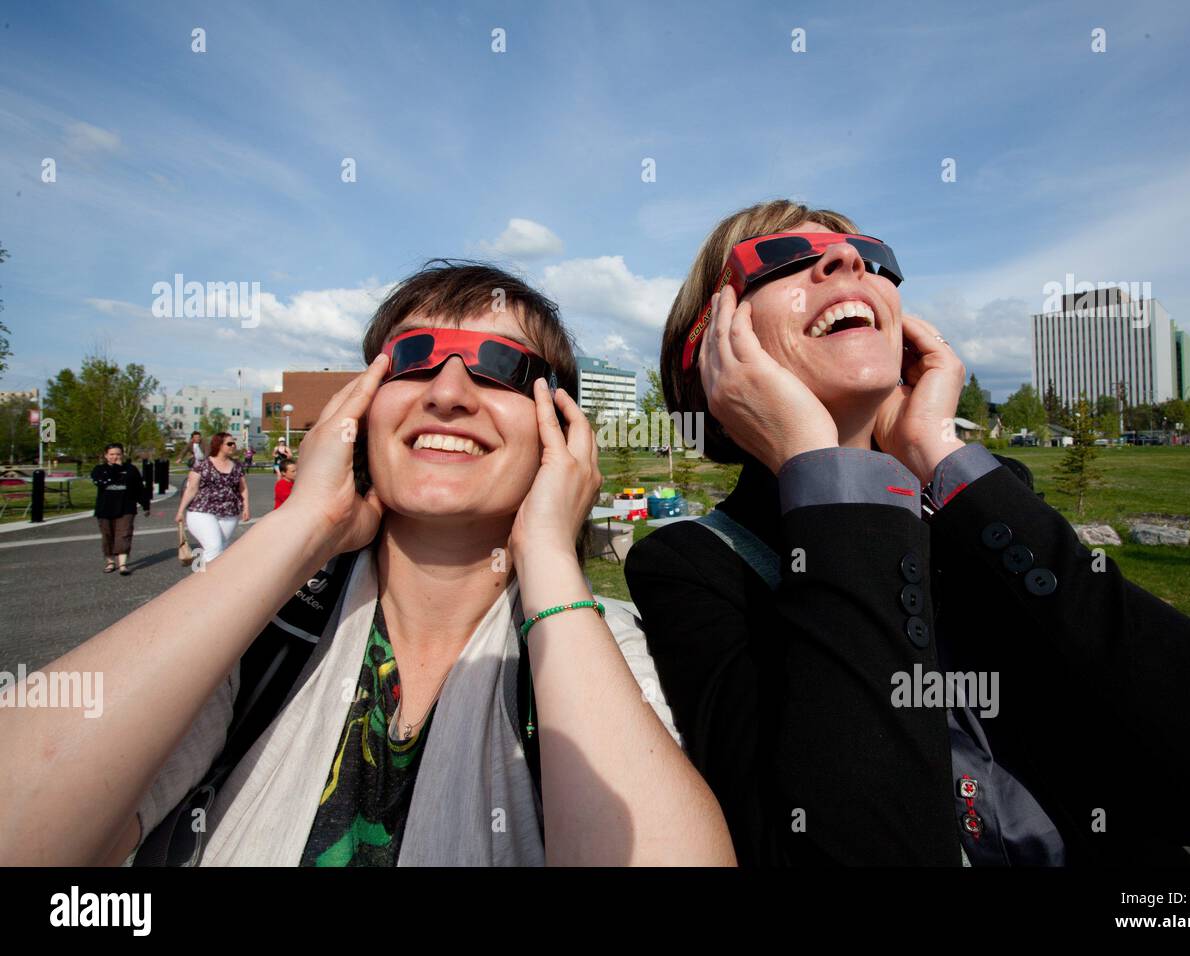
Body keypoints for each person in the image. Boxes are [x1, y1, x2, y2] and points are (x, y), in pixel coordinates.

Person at [624, 199, 1190, 867]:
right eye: (778, 259)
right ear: (707, 348)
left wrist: (941, 455)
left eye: (874, 257)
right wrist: (819, 466)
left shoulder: (983, 507)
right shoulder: (695, 565)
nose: (849, 259)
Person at [0, 261, 734, 867]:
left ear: (560, 430)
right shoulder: (265, 639)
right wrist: (304, 526)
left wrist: (546, 551)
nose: (448, 393)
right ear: (361, 408)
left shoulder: (606, 648)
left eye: (502, 368)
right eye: (412, 362)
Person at [174, 432, 249, 567]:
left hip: (229, 512)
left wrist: (246, 507)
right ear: (219, 445)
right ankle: (206, 581)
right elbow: (191, 488)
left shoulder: (237, 466)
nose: (233, 446)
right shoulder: (203, 465)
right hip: (202, 510)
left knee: (220, 548)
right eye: (229, 443)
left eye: (234, 443)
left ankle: (200, 576)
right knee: (214, 547)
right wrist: (180, 511)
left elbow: (243, 488)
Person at [90, 443, 150, 576]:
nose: (115, 457)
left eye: (118, 454)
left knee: (124, 534)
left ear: (122, 455)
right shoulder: (99, 469)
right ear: (106, 456)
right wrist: (116, 468)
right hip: (105, 508)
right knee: (107, 535)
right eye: (111, 454)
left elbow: (139, 488)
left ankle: (122, 564)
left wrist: (145, 505)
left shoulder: (131, 469)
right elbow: (101, 482)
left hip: (126, 507)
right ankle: (110, 561)